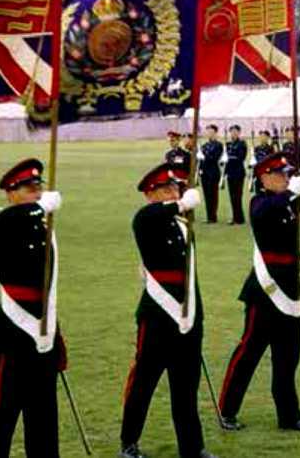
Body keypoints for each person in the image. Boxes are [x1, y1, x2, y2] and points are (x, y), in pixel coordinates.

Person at [119, 164, 216, 458]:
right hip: (158, 317)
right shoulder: (146, 218)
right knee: (144, 382)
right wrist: (181, 203)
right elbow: (150, 217)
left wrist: (196, 315)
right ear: (150, 194)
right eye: (166, 190)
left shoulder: (181, 223)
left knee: (186, 387)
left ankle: (192, 447)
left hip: (187, 315)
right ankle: (129, 442)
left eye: (176, 188)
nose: (174, 193)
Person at [218, 152, 300, 433]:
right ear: (264, 177)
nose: (286, 179)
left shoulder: (285, 202)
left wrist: (290, 197)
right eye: (280, 175)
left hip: (289, 288)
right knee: (249, 353)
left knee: (288, 358)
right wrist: (288, 197)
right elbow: (263, 214)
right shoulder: (260, 202)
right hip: (264, 291)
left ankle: (289, 415)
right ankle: (227, 409)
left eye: (287, 174)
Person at [0, 158, 66, 458]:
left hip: (43, 335)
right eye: (28, 189)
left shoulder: (41, 226)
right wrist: (40, 206)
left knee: (43, 417)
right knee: (3, 416)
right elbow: (7, 222)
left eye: (37, 188)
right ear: (10, 193)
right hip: (14, 336)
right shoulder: (3, 223)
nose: (35, 193)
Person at [197, 125, 223, 223]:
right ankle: (209, 216)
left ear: (215, 133)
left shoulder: (218, 145)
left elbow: (214, 157)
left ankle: (213, 216)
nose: (209, 134)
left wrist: (204, 156)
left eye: (211, 132)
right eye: (208, 131)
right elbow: (200, 161)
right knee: (207, 195)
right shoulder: (204, 146)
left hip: (213, 172)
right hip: (205, 173)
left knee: (213, 195)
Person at [225, 125, 247, 225]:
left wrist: (229, 158)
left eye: (235, 131)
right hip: (230, 172)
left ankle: (239, 218)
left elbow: (241, 157)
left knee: (237, 196)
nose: (233, 133)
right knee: (232, 196)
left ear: (239, 133)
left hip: (238, 172)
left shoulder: (242, 144)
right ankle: (235, 217)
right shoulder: (228, 144)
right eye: (232, 131)